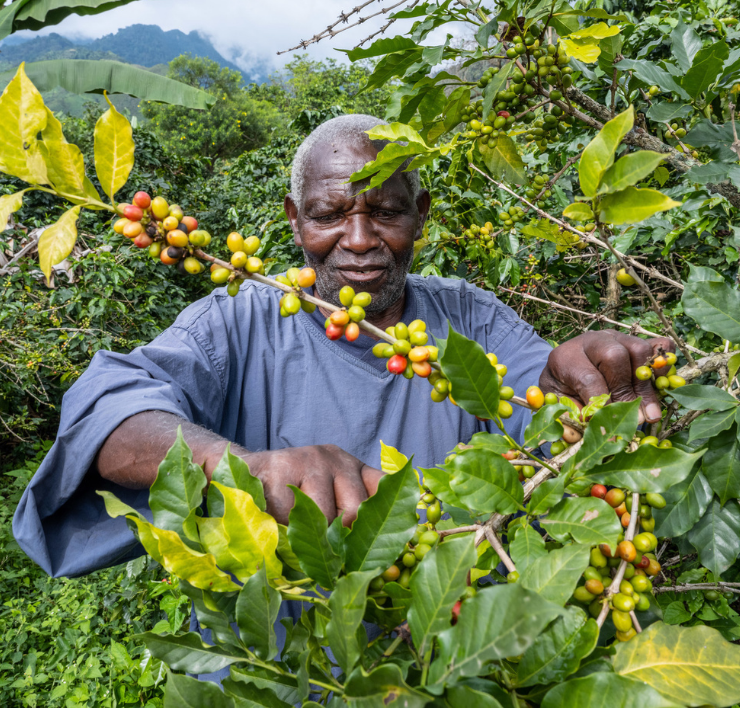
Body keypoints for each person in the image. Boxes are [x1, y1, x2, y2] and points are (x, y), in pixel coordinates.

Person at [14, 113, 672, 581]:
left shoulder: (470, 319)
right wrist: (243, 466)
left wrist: (575, 384)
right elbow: (111, 411)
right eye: (330, 214)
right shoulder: (237, 322)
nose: (359, 240)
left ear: (422, 215)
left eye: (386, 213)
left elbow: (539, 392)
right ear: (295, 221)